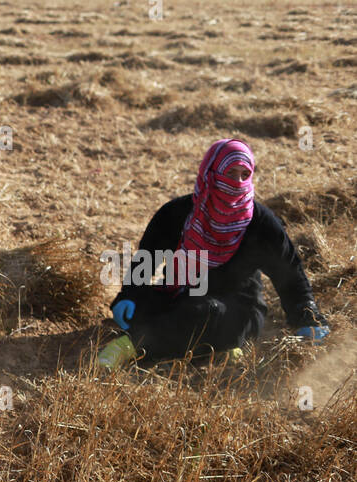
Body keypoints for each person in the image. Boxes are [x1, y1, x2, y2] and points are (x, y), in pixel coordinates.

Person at [98, 138, 329, 369]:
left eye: (244, 174)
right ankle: (217, 350)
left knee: (209, 313)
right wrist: (130, 294)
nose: (237, 182)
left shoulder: (260, 223)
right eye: (230, 173)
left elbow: (289, 274)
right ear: (211, 172)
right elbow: (147, 260)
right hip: (182, 292)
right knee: (160, 309)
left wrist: (308, 315)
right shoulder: (176, 214)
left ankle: (130, 346)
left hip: (239, 308)